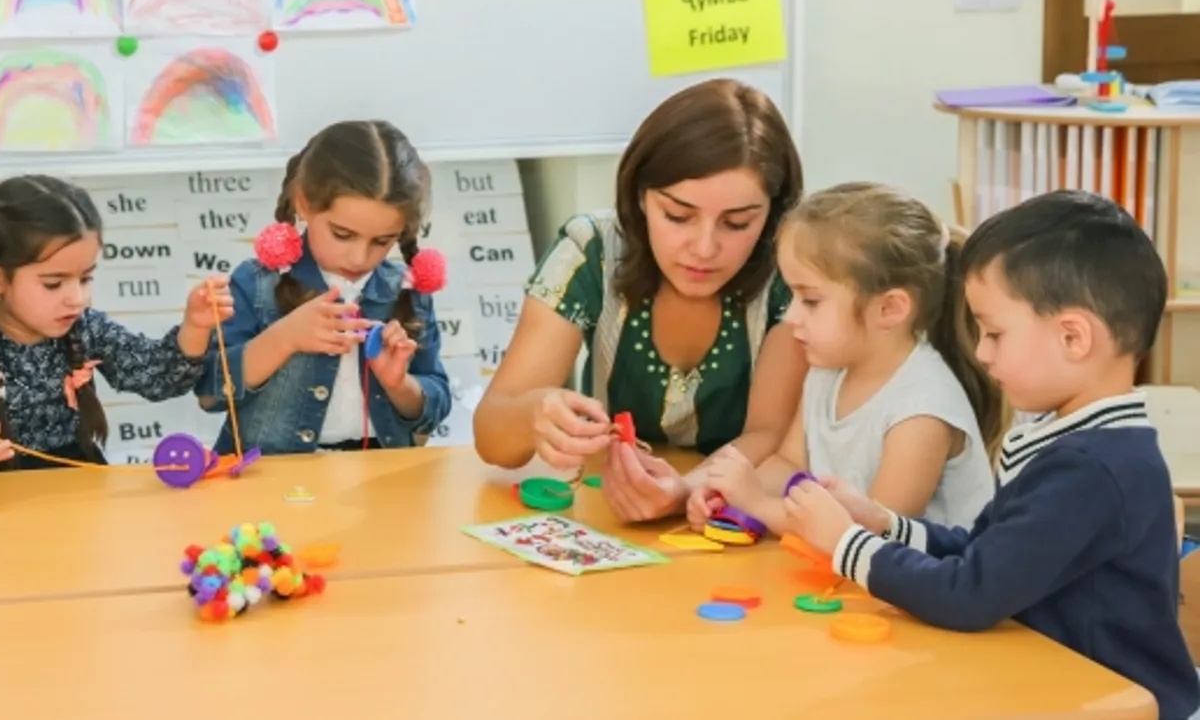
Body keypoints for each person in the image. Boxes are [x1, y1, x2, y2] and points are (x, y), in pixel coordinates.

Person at [784, 190, 1199, 720]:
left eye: (995, 333)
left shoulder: (1092, 471)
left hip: (1110, 707)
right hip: (1047, 685)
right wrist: (885, 525)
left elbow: (971, 593)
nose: (980, 352)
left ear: (1073, 337)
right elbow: (986, 551)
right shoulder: (1072, 443)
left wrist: (847, 546)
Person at [472, 79, 807, 522]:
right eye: (678, 216)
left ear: (773, 215)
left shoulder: (793, 268)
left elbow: (770, 435)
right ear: (640, 198)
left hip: (737, 515)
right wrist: (533, 414)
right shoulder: (591, 249)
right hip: (612, 517)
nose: (704, 248)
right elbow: (492, 438)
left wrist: (687, 490)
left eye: (738, 223)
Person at [700, 183, 1002, 534]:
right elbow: (788, 464)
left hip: (914, 579)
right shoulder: (828, 370)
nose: (791, 317)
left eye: (810, 301)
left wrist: (756, 503)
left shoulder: (922, 411)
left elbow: (867, 532)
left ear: (889, 309)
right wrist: (728, 496)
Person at [0, 175, 225, 472]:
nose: (77, 299)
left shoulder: (87, 327)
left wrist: (196, 325)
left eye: (85, 278)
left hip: (78, 489)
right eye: (53, 283)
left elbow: (159, 377)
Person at [200, 120, 450, 454]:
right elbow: (208, 392)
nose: (360, 256)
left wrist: (399, 385)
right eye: (343, 235)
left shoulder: (408, 290)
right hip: (272, 483)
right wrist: (283, 339)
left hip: (380, 478)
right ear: (303, 204)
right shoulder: (255, 283)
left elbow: (436, 402)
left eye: (382, 241)